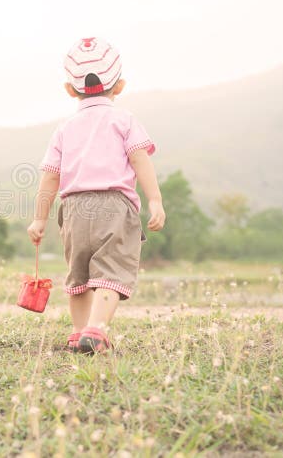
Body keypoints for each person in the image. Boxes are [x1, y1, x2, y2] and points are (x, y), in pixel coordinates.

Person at [27, 37, 165, 354]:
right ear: (119, 86)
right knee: (110, 272)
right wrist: (155, 200)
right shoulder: (124, 120)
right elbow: (139, 159)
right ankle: (96, 330)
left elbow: (50, 176)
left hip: (73, 208)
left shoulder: (64, 128)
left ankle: (78, 333)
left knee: (79, 274)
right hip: (114, 205)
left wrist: (39, 218)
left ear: (69, 89)